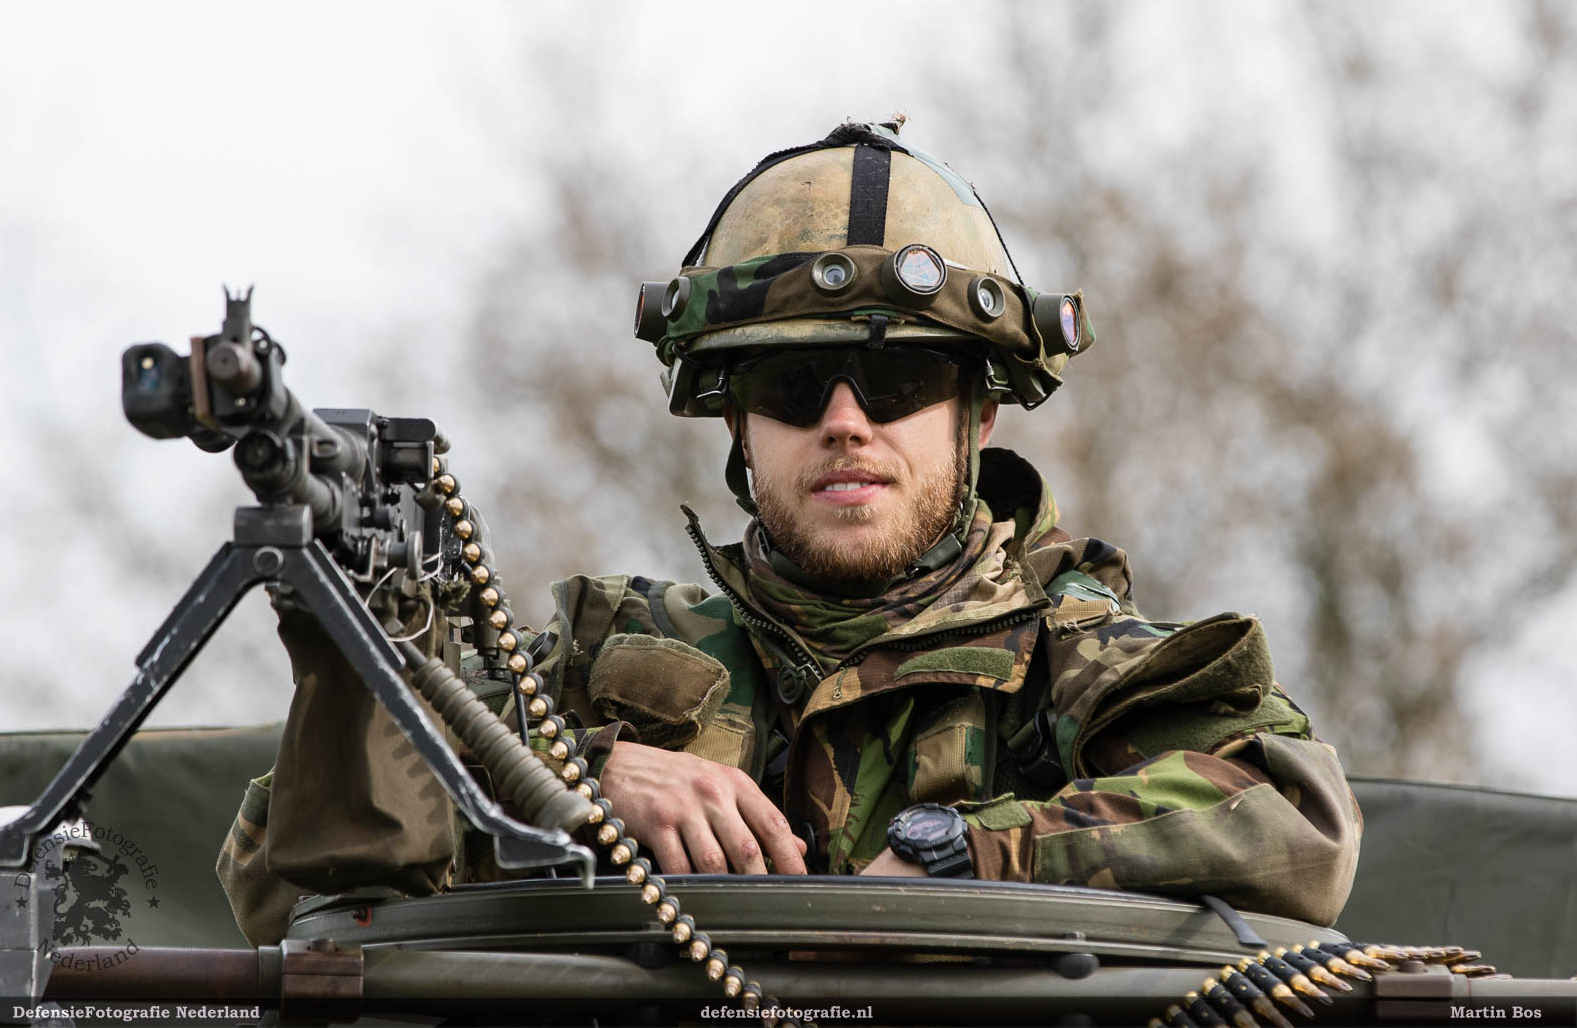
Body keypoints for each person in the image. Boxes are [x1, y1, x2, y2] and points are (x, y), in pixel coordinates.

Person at [217, 119, 1361, 947]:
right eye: (795, 380)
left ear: (979, 412)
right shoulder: (585, 660)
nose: (846, 421)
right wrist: (579, 778)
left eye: (898, 375)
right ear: (734, 419)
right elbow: (286, 872)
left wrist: (970, 850)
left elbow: (1294, 817)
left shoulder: (1080, 662)